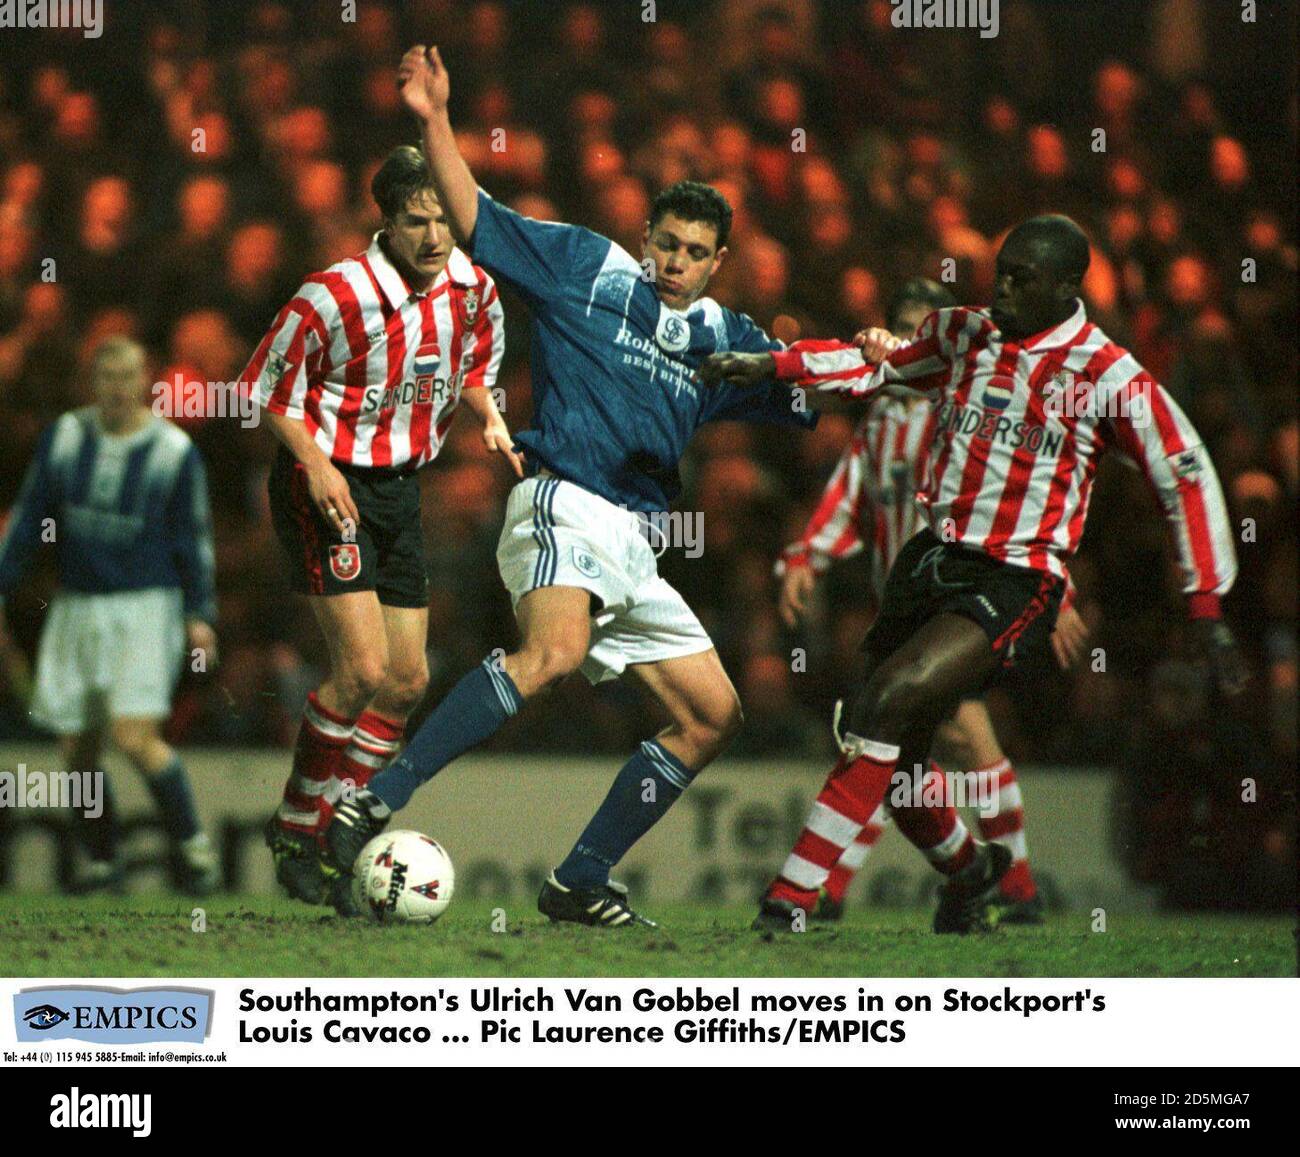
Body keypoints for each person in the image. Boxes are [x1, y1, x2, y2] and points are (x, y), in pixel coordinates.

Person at [324, 45, 816, 928]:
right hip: (563, 501)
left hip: (632, 544)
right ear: (646, 240)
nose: (674, 261)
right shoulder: (589, 270)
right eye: (665, 242)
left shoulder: (721, 340)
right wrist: (435, 120)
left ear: (717, 262)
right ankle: (375, 795)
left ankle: (578, 878)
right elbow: (476, 215)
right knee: (549, 652)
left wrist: (889, 358)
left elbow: (808, 386)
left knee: (712, 716)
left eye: (694, 252)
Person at [701, 215, 1246, 933]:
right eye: (1002, 271)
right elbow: (880, 368)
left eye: (1022, 277)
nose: (1004, 287)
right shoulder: (967, 332)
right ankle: (971, 872)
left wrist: (1205, 605)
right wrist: (773, 365)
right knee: (885, 745)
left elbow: (1185, 472)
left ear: (1066, 286)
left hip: (1014, 576)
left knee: (895, 700)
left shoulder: (1108, 376)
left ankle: (790, 900)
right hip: (929, 559)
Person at [242, 145, 518, 913]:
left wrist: (490, 418)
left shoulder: (473, 289)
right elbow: (265, 387)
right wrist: (319, 465)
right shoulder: (334, 294)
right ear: (387, 222)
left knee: (407, 679)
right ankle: (299, 828)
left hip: (398, 487)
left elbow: (468, 369)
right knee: (359, 670)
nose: (434, 237)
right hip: (325, 479)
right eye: (416, 221)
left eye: (443, 221)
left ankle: (344, 826)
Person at [775, 278, 1087, 925]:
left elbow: (1026, 507)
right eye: (906, 331)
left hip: (966, 608)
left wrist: (1062, 591)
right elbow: (848, 495)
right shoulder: (882, 425)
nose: (918, 346)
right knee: (902, 749)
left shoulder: (975, 412)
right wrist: (806, 553)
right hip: (906, 611)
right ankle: (985, 879)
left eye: (927, 333)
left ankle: (1001, 887)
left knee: (940, 737)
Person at [0, 336, 220, 894]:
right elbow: (29, 518)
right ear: (91, 382)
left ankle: (194, 850)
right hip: (77, 605)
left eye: (128, 376)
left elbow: (193, 536)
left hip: (146, 606)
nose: (118, 388)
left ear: (145, 381)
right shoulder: (68, 437)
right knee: (75, 747)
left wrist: (200, 613)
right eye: (107, 376)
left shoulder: (172, 451)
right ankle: (104, 860)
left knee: (132, 735)